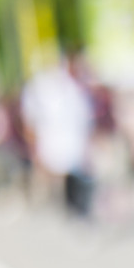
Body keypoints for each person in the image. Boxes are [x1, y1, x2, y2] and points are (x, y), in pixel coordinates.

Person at [21, 56, 95, 219]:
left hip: (71, 144)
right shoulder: (42, 90)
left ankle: (78, 210)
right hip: (57, 145)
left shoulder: (71, 88)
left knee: (76, 178)